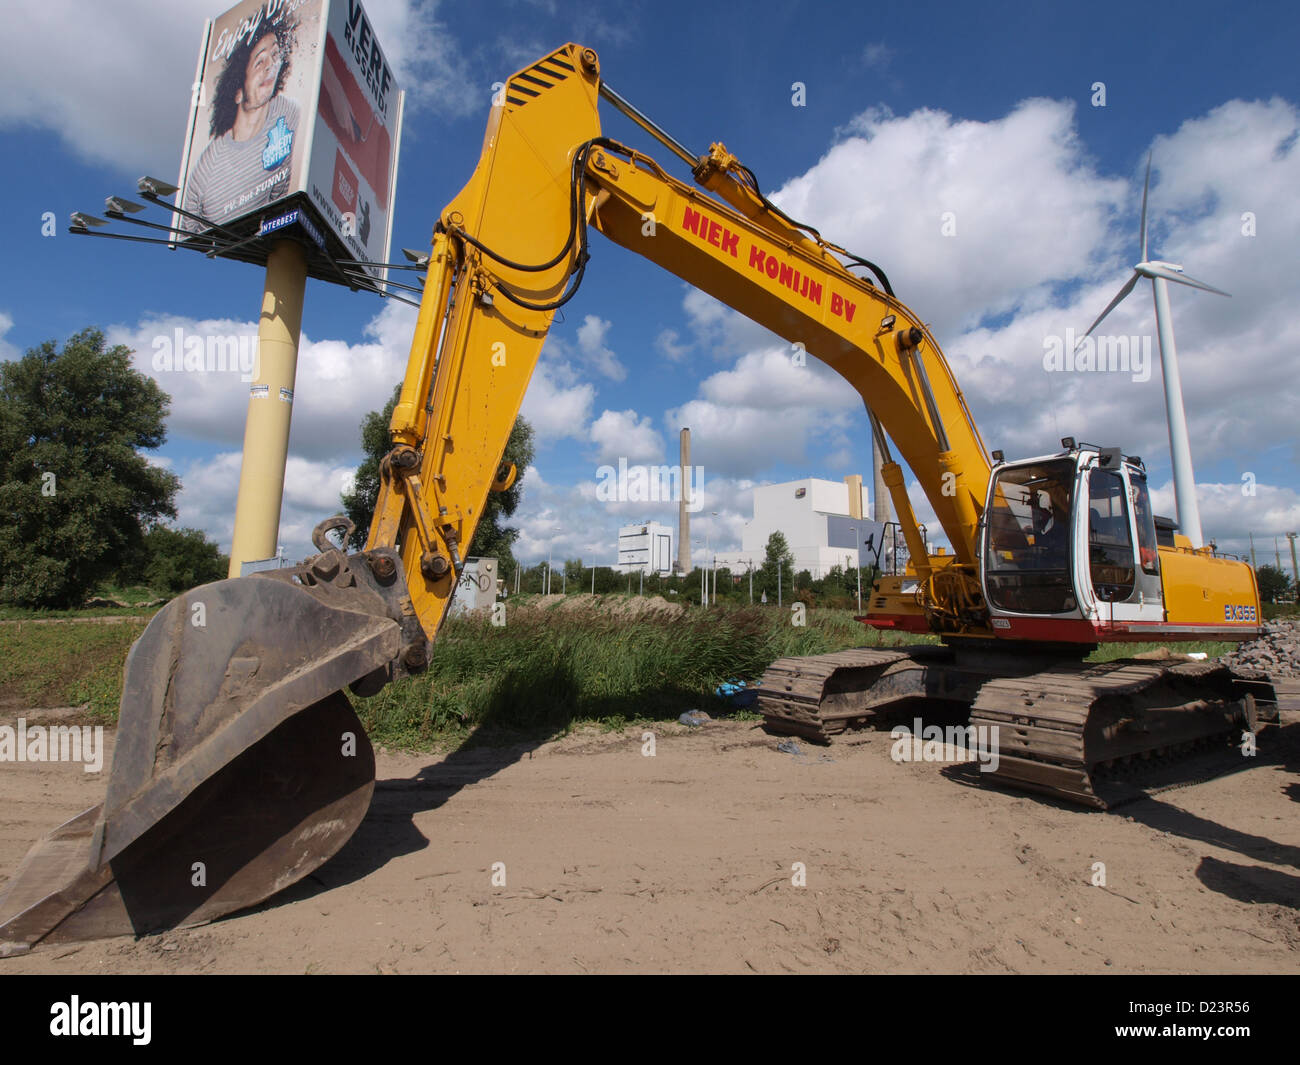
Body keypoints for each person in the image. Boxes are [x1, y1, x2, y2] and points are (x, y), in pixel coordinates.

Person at [182, 19, 301, 233]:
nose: (270, 65)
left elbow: (279, 194)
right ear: (238, 92)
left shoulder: (289, 112)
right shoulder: (206, 170)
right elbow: (186, 232)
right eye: (259, 61)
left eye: (275, 55)